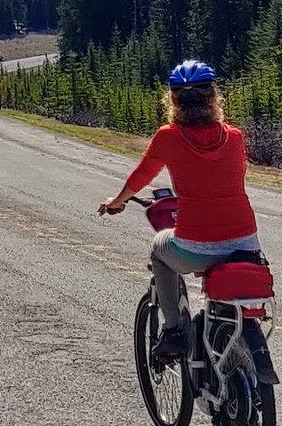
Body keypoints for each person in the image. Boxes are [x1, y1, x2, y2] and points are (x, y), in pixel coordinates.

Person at [97, 60, 261, 366]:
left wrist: (117, 201)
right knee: (235, 299)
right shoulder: (235, 136)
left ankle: (173, 330)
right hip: (245, 245)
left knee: (158, 250)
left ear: (173, 100)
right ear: (213, 98)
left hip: (194, 248)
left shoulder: (168, 137)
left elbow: (141, 177)